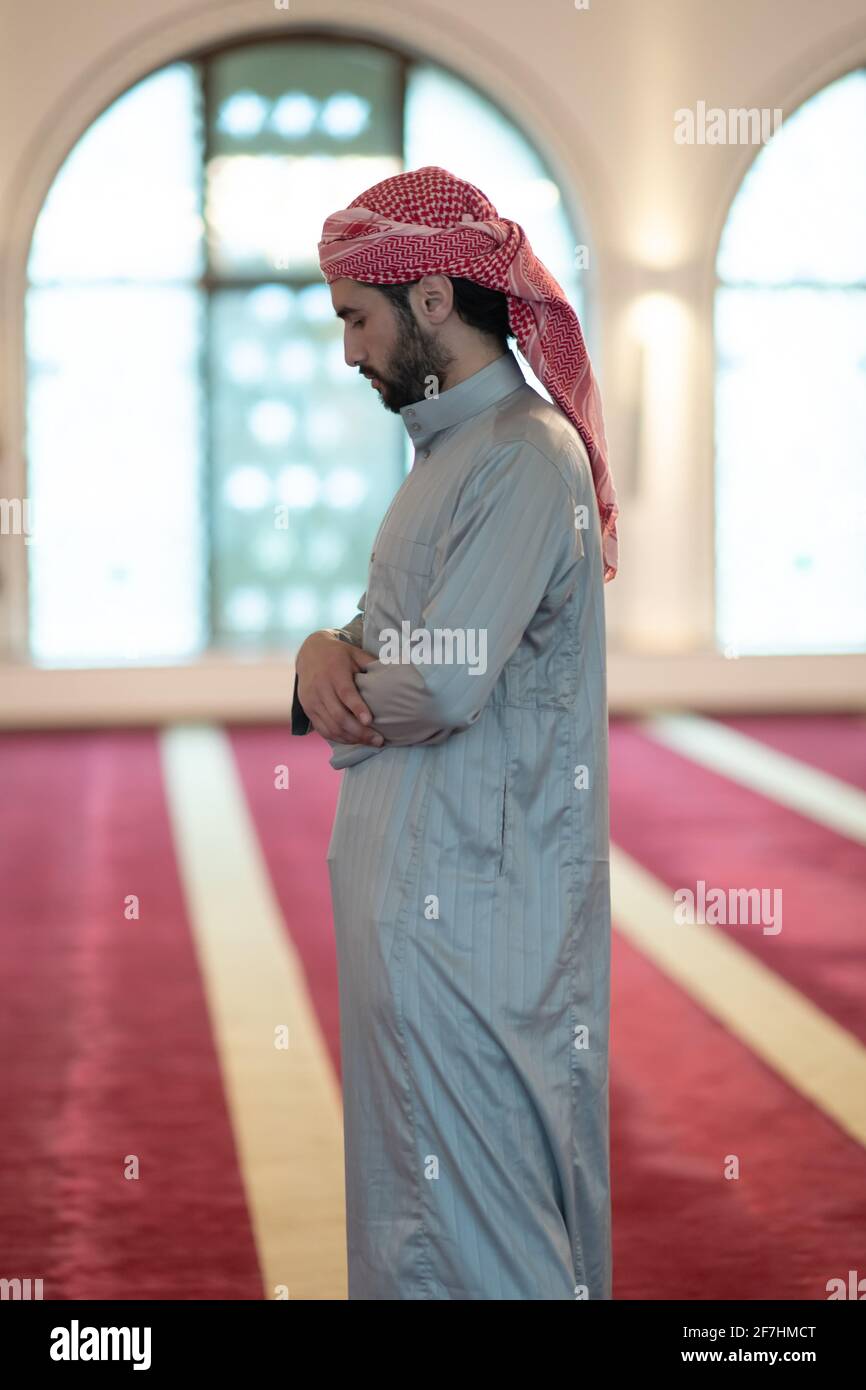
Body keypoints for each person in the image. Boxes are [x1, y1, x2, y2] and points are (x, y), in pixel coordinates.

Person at [291, 166, 619, 1300]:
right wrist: (322, 647)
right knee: (418, 1203)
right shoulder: (449, 454)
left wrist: (335, 684)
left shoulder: (525, 457)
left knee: (488, 1210)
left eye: (355, 319)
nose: (348, 353)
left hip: (479, 909)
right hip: (421, 896)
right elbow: (398, 629)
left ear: (431, 296)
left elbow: (438, 680)